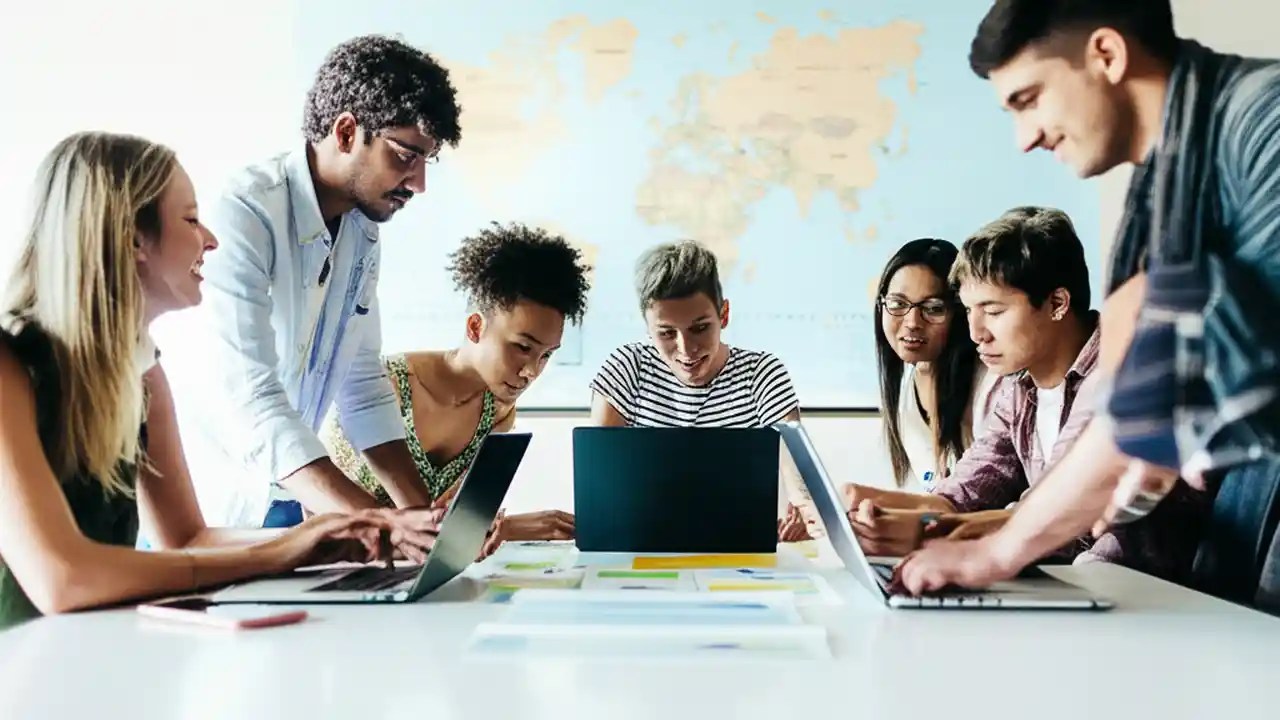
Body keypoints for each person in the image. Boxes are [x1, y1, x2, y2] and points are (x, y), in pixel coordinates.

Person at [895, 0, 1280, 595]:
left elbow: (1145, 398)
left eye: (1028, 100)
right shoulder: (1165, 188)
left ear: (1107, 54)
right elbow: (1130, 393)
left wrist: (996, 553)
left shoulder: (1266, 123)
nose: (1025, 139)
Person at [0, 132, 437, 629]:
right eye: (190, 219)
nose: (209, 239)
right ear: (131, 238)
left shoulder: (142, 375)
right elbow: (63, 578)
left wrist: (341, 536)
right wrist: (278, 553)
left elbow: (188, 539)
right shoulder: (9, 366)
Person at [155, 35, 463, 529]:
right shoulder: (246, 212)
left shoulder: (362, 228)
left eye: (427, 160)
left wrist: (426, 521)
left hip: (287, 498)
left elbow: (363, 388)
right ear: (345, 132)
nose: (419, 182)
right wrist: (382, 520)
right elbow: (253, 400)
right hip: (208, 508)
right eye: (406, 155)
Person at [846, 207, 1209, 580]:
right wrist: (867, 506)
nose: (976, 333)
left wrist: (924, 529)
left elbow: (1058, 514)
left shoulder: (1116, 369)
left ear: (1057, 304)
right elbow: (961, 497)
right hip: (1089, 586)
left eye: (994, 311)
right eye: (970, 310)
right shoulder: (1018, 389)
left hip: (1154, 594)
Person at [322, 222, 587, 543]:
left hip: (408, 566)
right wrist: (512, 529)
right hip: (330, 555)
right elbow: (320, 508)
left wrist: (496, 531)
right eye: (522, 347)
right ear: (475, 327)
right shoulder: (382, 384)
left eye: (546, 356)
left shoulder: (498, 411)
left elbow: (451, 524)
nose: (532, 370)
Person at [588, 240, 813, 540]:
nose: (686, 349)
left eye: (700, 328)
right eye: (666, 333)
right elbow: (600, 485)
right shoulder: (627, 366)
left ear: (724, 314)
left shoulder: (762, 372)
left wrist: (805, 504)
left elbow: (795, 463)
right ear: (647, 326)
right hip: (644, 543)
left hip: (738, 547)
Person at [871, 238, 999, 494]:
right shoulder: (907, 388)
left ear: (960, 313)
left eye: (933, 308)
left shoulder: (992, 386)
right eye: (898, 304)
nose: (912, 322)